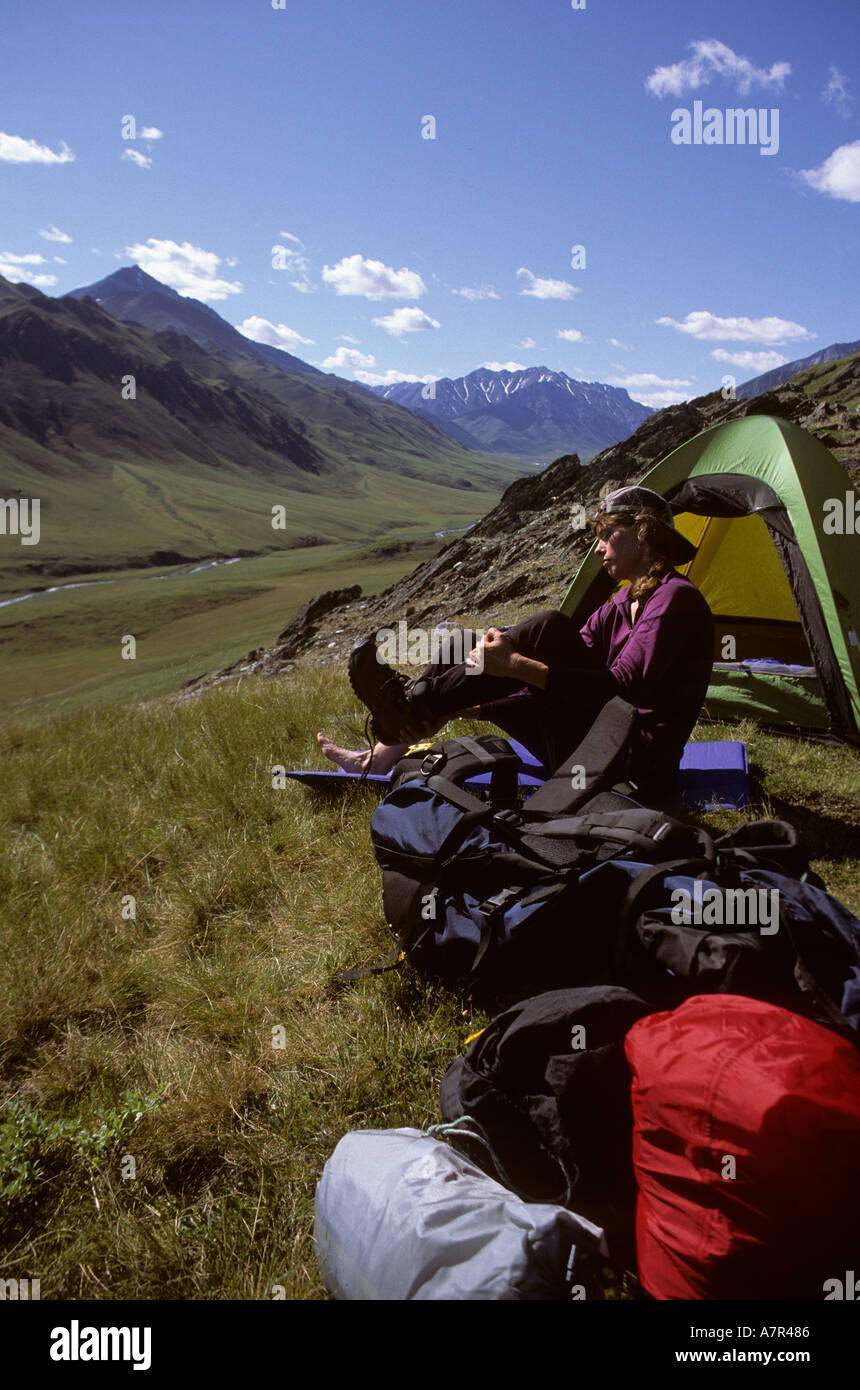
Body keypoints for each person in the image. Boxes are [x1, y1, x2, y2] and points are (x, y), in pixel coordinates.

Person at [318, 486, 714, 802]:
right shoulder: (620, 605)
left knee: (549, 627)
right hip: (595, 747)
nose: (598, 548)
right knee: (462, 643)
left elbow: (617, 692)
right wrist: (462, 708)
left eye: (608, 534)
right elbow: (564, 683)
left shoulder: (674, 598)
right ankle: (390, 743)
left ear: (643, 533)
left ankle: (411, 707)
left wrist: (514, 667)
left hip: (631, 767)